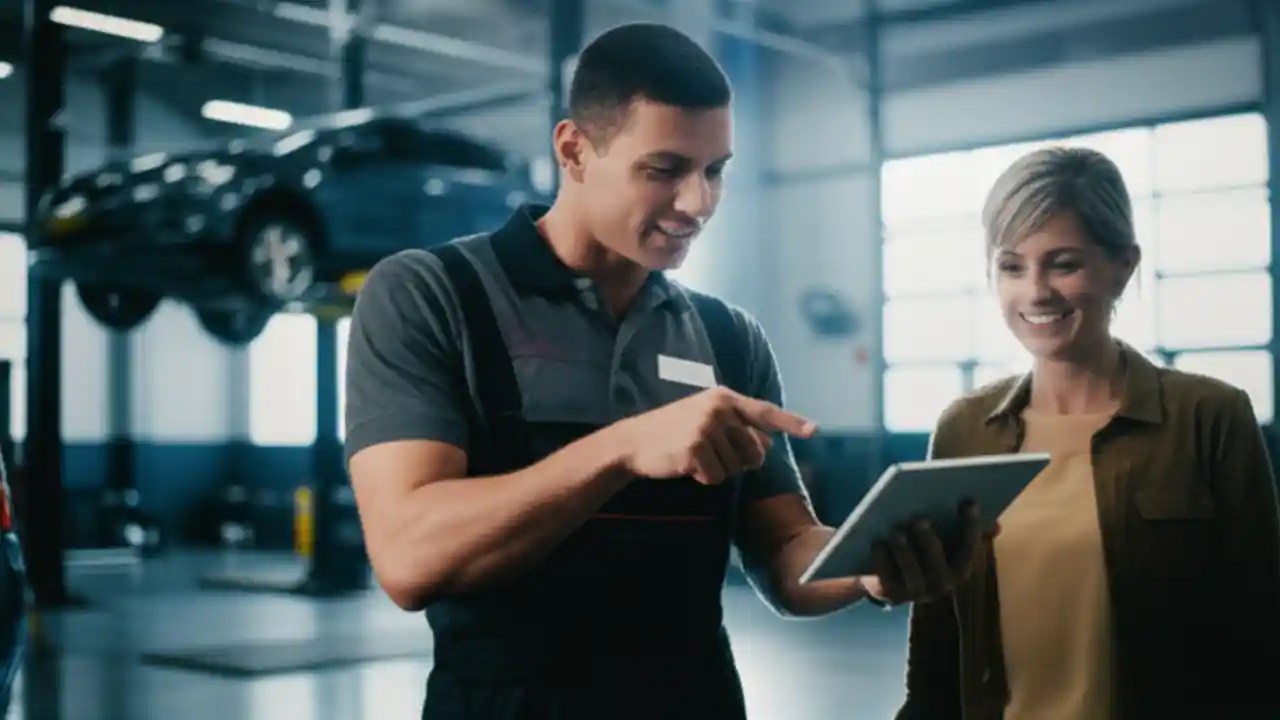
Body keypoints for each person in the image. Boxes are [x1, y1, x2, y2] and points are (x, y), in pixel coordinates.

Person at [344, 22, 981, 720]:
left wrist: (864, 565)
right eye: (665, 169)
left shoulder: (728, 337)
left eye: (715, 171)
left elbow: (785, 555)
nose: (698, 203)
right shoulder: (432, 296)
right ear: (574, 150)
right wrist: (623, 448)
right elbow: (408, 558)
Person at [895, 146, 1280, 719]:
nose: (1035, 291)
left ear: (1123, 265)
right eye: (1011, 266)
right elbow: (934, 652)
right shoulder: (964, 430)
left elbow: (1260, 636)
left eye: (1064, 263)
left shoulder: (1210, 418)